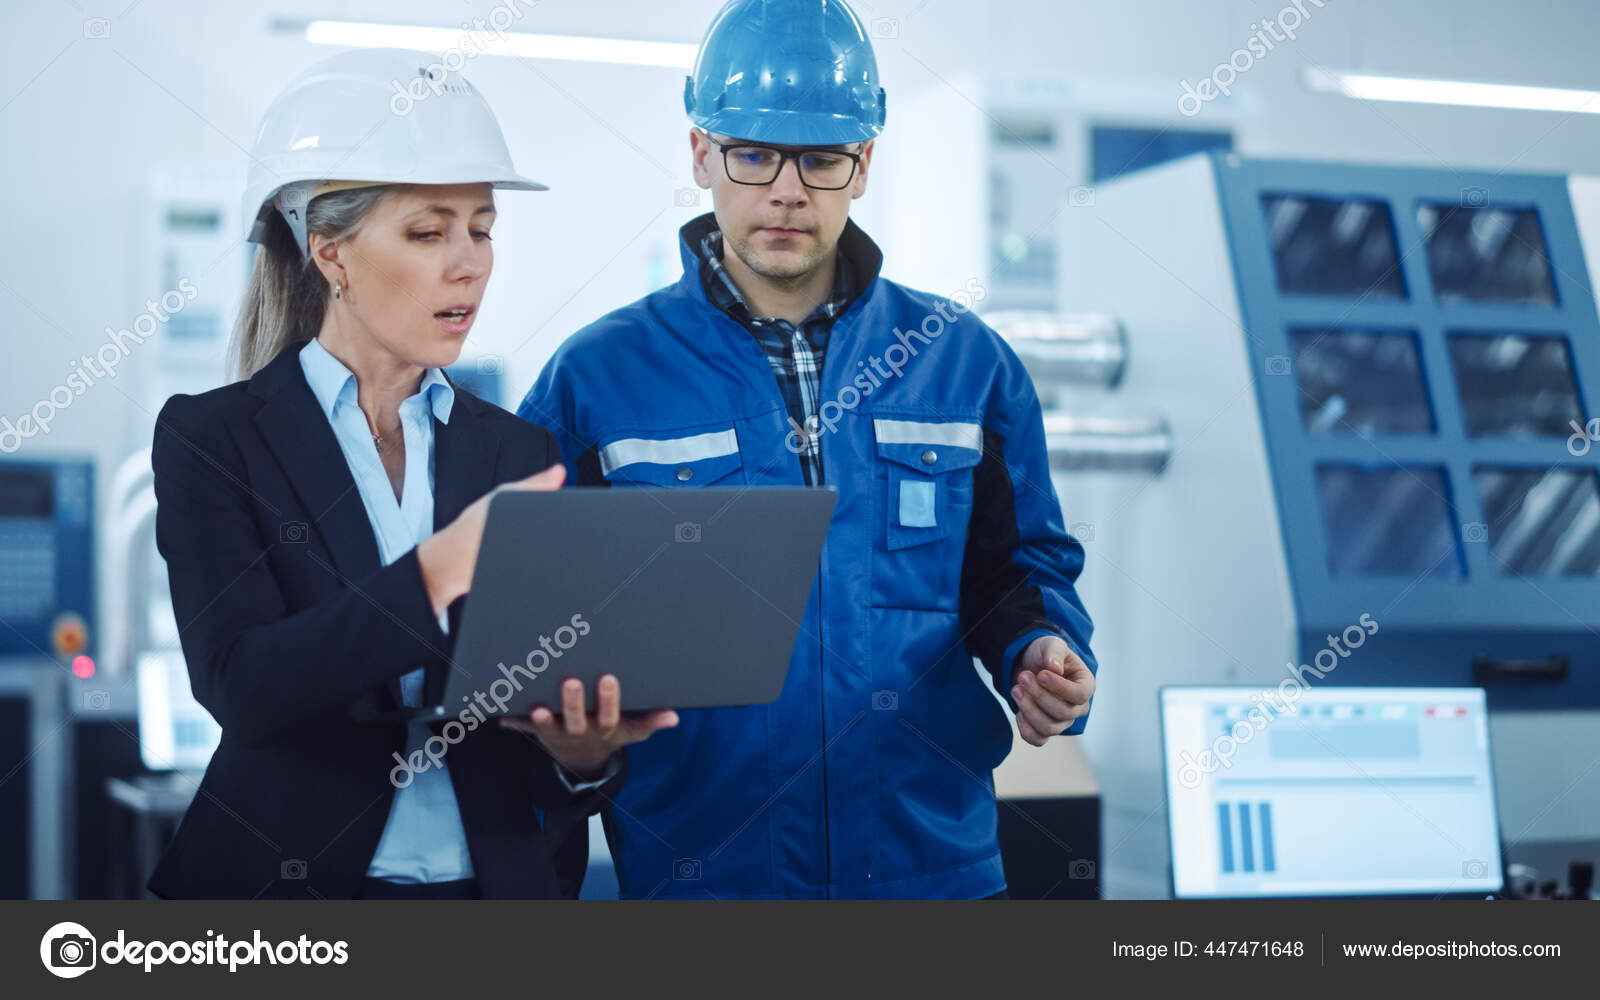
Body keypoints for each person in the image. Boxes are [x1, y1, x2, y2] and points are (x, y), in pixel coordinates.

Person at [518, 0, 1097, 899]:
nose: (787, 190)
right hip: (705, 883)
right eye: (753, 153)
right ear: (700, 152)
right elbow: (534, 626)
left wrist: (1041, 649)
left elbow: (1015, 574)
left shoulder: (963, 362)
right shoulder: (594, 381)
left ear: (862, 164)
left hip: (932, 879)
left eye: (822, 159)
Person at [149, 48, 675, 900]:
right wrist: (439, 570)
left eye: (482, 228)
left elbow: (535, 751)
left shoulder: (520, 452)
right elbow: (247, 689)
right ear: (331, 254)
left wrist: (579, 754)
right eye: (429, 232)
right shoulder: (215, 439)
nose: (467, 262)